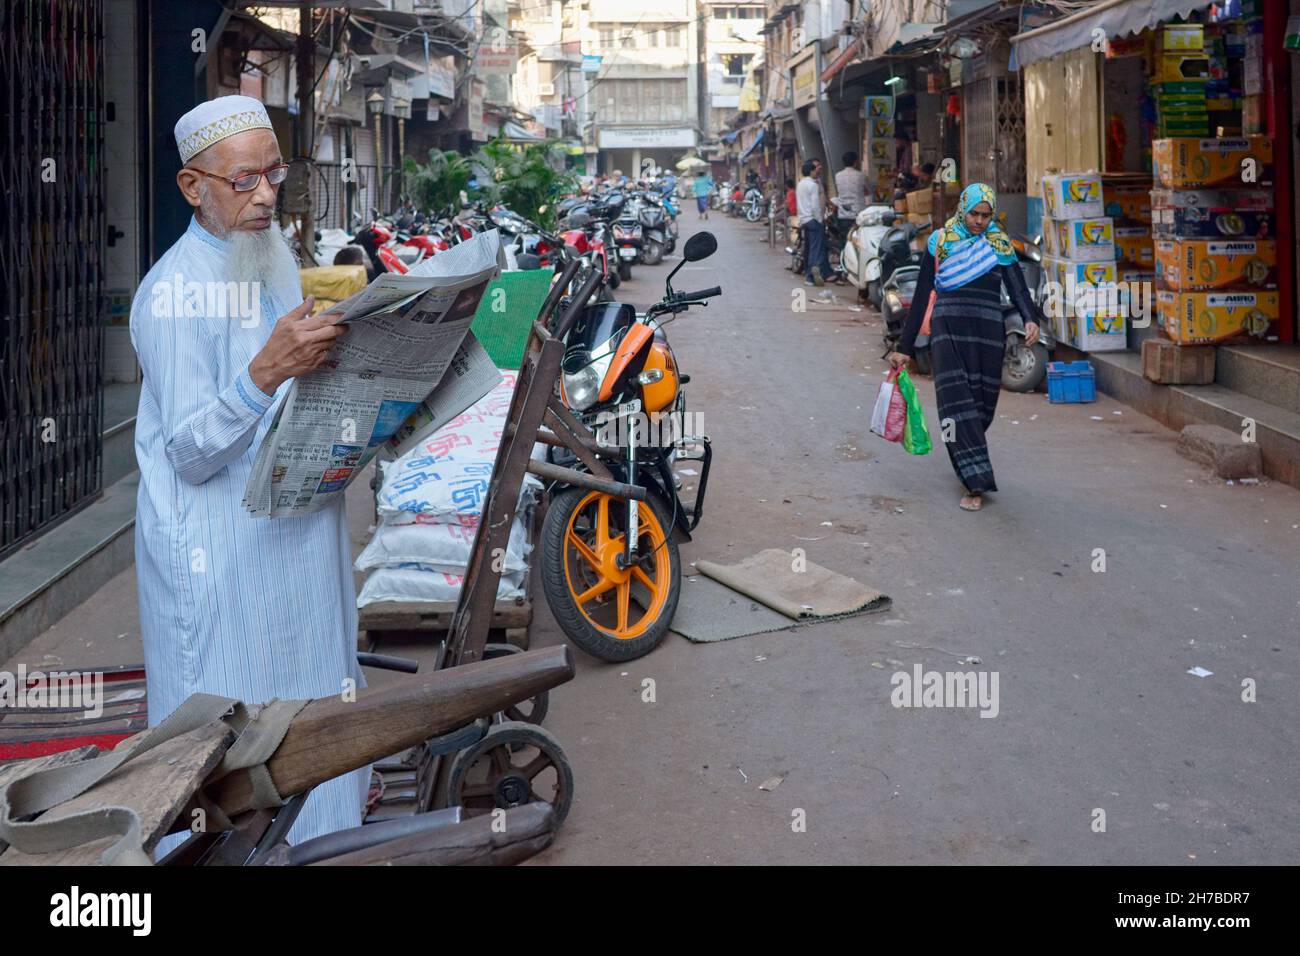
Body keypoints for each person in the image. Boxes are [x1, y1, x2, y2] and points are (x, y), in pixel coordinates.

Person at [130, 95, 366, 857]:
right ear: (191, 187)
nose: (265, 195)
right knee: (227, 734)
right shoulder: (169, 296)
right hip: (219, 558)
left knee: (311, 714)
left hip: (294, 539)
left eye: (275, 175)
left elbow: (297, 397)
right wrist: (264, 374)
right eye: (243, 181)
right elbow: (190, 451)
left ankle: (321, 842)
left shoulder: (270, 267)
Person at [887, 183, 1043, 512]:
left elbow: (1016, 285)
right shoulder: (941, 241)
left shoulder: (998, 242)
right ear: (963, 209)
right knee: (956, 405)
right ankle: (975, 480)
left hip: (988, 331)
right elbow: (922, 294)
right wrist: (905, 346)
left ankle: (968, 455)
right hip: (949, 330)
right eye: (974, 213)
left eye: (986, 215)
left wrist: (1030, 318)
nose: (979, 221)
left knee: (982, 405)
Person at [796, 158, 833, 286]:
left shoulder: (800, 184)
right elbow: (815, 206)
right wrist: (820, 220)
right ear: (811, 170)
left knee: (809, 248)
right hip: (813, 219)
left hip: (804, 219)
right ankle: (810, 277)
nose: (818, 170)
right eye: (815, 168)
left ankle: (808, 272)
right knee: (815, 250)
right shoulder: (813, 185)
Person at [834, 151, 866, 217]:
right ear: (855, 162)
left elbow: (838, 191)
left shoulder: (837, 175)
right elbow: (868, 191)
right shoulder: (861, 175)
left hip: (843, 212)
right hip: (858, 211)